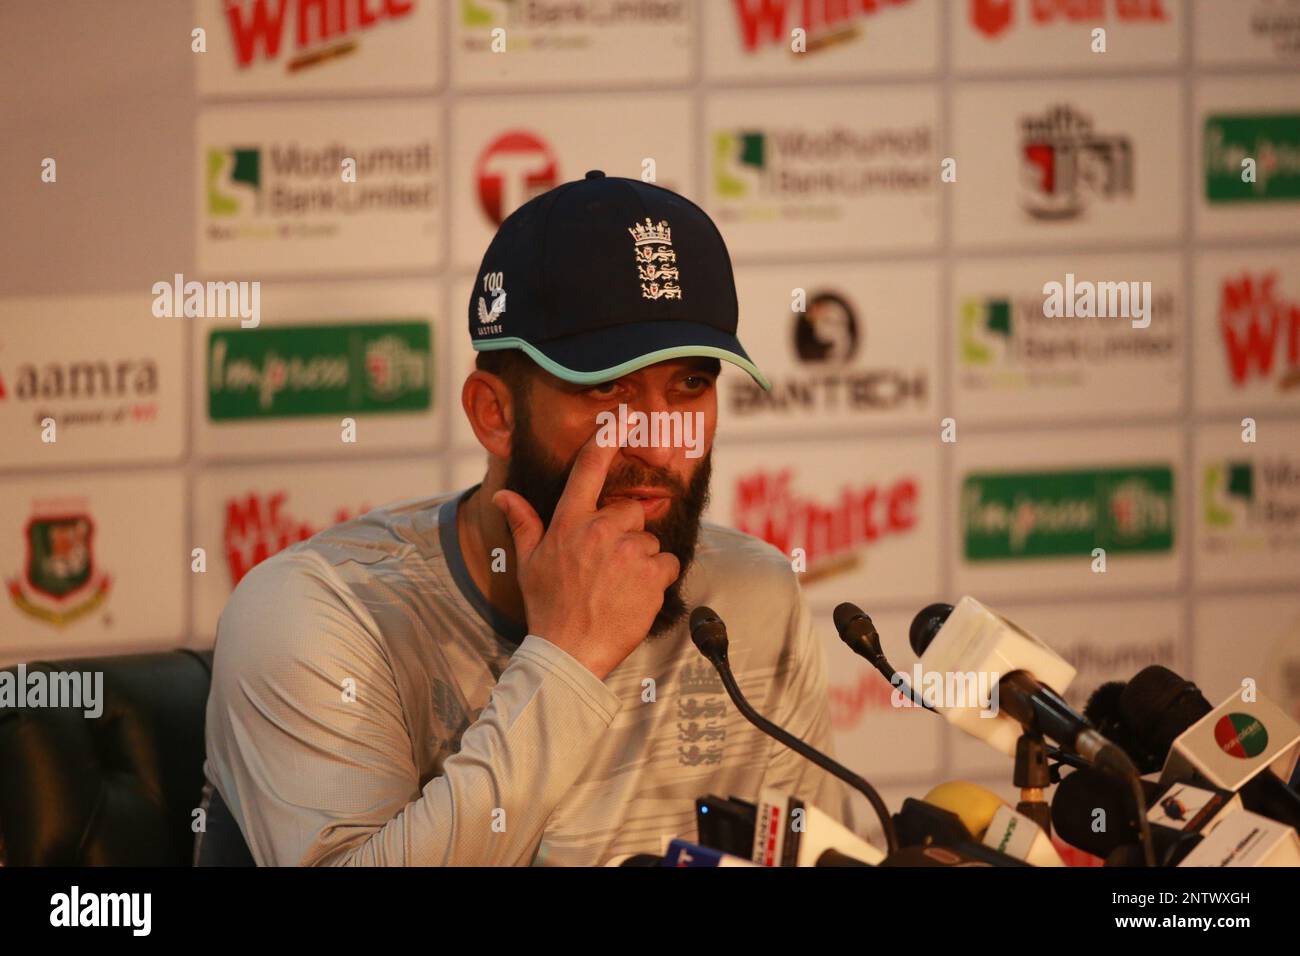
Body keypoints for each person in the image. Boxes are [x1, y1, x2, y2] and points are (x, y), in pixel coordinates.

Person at [197, 171, 852, 866]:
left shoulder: (751, 596)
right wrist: (566, 658)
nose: (663, 444)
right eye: (608, 389)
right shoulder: (318, 612)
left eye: (690, 385)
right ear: (495, 414)